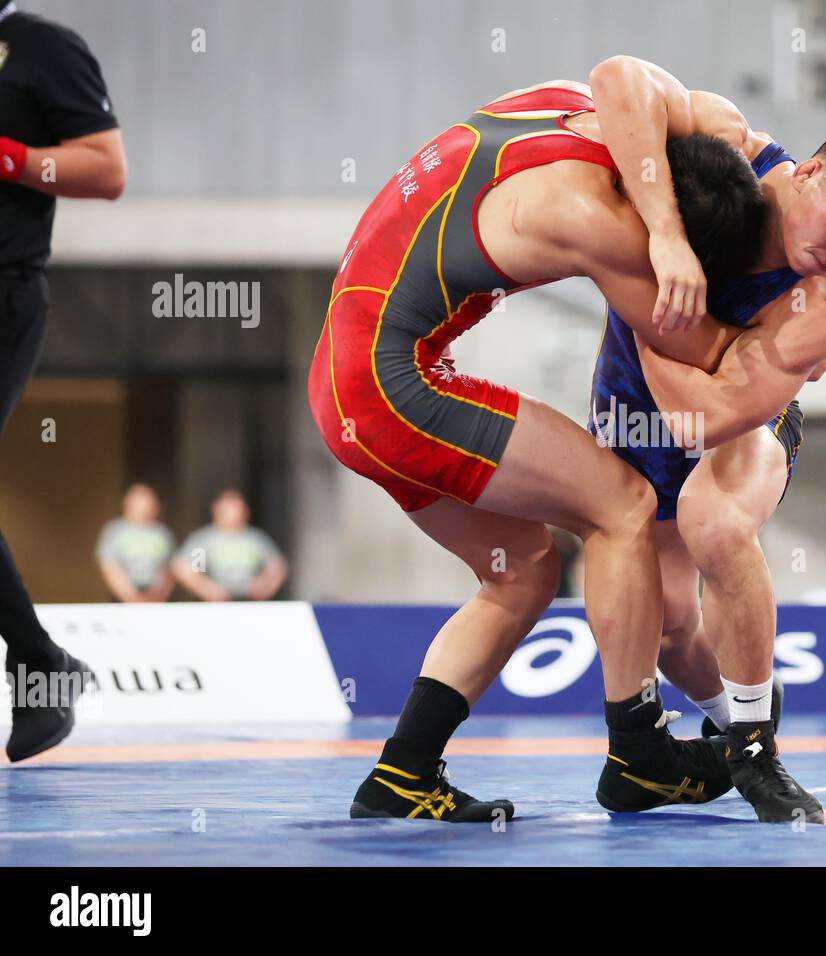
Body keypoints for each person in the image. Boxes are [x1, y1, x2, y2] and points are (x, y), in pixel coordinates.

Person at [307, 80, 771, 822]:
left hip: (344, 381)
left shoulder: (569, 101)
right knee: (623, 504)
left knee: (520, 574)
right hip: (392, 386)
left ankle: (402, 774)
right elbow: (709, 357)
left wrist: (720, 184)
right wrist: (804, 329)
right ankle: (639, 750)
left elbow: (667, 92)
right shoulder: (598, 220)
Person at [584, 56, 826, 822]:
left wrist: (644, 313)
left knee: (716, 520)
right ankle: (737, 716)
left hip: (738, 416)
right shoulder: (727, 141)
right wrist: (666, 236)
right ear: (810, 172)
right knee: (675, 627)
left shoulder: (824, 307)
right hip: (629, 406)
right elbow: (617, 79)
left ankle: (755, 752)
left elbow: (706, 419)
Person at [1, 2, 126, 762]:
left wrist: (11, 157)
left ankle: (43, 661)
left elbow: (106, 169)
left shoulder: (42, 48)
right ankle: (42, 661)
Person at [171, 490, 289, 602]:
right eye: (228, 510)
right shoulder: (205, 540)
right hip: (215, 604)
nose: (233, 514)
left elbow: (276, 567)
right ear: (216, 510)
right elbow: (187, 569)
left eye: (237, 510)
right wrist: (207, 589)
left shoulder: (255, 539)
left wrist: (264, 586)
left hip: (249, 601)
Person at [95, 483, 176, 602]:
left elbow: (169, 569)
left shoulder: (163, 533)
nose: (144, 507)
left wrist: (156, 598)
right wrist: (132, 598)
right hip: (122, 600)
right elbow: (109, 565)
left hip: (156, 600)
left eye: (148, 503)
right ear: (127, 504)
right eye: (139, 502)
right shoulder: (114, 531)